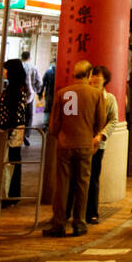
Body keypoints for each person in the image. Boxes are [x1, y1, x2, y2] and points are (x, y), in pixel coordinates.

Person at [45, 60, 106, 237]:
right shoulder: (95, 94)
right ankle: (79, 223)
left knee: (62, 184)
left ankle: (58, 223)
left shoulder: (62, 93)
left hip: (65, 144)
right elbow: (100, 120)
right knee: (82, 183)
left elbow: (54, 124)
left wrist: (60, 135)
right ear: (88, 75)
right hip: (84, 144)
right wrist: (90, 134)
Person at [85, 64, 119, 224]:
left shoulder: (109, 99)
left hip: (97, 144)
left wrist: (101, 136)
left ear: (105, 79)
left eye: (98, 76)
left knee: (93, 178)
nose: (94, 79)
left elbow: (113, 120)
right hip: (81, 142)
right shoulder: (84, 96)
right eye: (92, 75)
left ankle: (92, 212)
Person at [0, 58, 31, 208]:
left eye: (6, 69)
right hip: (16, 131)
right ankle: (12, 195)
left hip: (11, 132)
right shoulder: (20, 88)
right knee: (14, 162)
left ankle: (8, 195)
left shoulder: (13, 89)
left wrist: (6, 129)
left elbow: (12, 112)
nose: (4, 71)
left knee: (9, 163)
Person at [40, 62, 56, 130]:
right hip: (57, 94)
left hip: (48, 94)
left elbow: (43, 83)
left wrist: (40, 93)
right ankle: (52, 125)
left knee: (47, 109)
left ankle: (45, 124)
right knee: (55, 110)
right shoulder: (60, 72)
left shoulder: (48, 72)